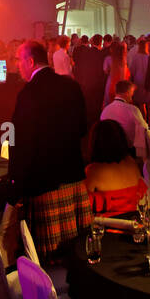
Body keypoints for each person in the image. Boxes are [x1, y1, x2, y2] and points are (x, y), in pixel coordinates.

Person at [8, 40, 91, 260]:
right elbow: (83, 128)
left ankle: (47, 293)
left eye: (19, 60)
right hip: (73, 177)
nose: (17, 65)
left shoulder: (27, 94)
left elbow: (19, 141)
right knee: (77, 251)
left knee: (47, 260)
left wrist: (15, 182)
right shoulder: (71, 86)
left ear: (31, 61)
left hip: (44, 184)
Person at [84, 119, 147, 216]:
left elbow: (82, 205)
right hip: (133, 224)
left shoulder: (93, 170)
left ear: (94, 142)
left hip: (106, 227)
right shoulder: (131, 163)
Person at [100, 78, 150, 160]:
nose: (132, 98)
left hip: (106, 151)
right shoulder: (132, 109)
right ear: (127, 93)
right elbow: (144, 130)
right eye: (131, 94)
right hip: (127, 153)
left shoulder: (105, 110)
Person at [71, 35, 106, 125]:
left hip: (87, 81)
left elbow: (81, 66)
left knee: (88, 103)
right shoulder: (101, 54)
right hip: (97, 83)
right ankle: (96, 123)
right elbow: (101, 71)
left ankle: (88, 122)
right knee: (96, 105)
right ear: (101, 42)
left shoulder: (86, 52)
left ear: (93, 42)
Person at [103, 41, 129, 106]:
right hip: (122, 85)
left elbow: (105, 71)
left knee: (110, 103)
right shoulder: (124, 60)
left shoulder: (108, 59)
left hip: (111, 83)